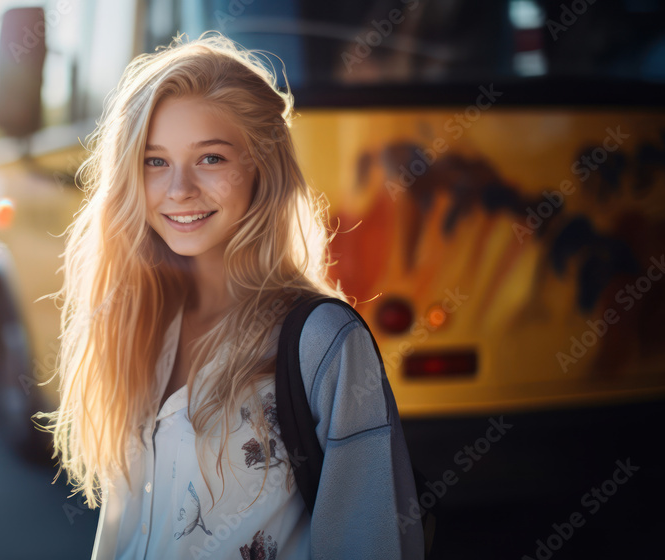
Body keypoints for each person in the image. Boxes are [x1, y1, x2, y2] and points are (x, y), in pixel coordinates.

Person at [36, 33, 424, 559]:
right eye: (155, 161)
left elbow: (371, 542)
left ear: (260, 166)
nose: (179, 189)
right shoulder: (139, 319)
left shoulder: (323, 343)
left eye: (211, 158)